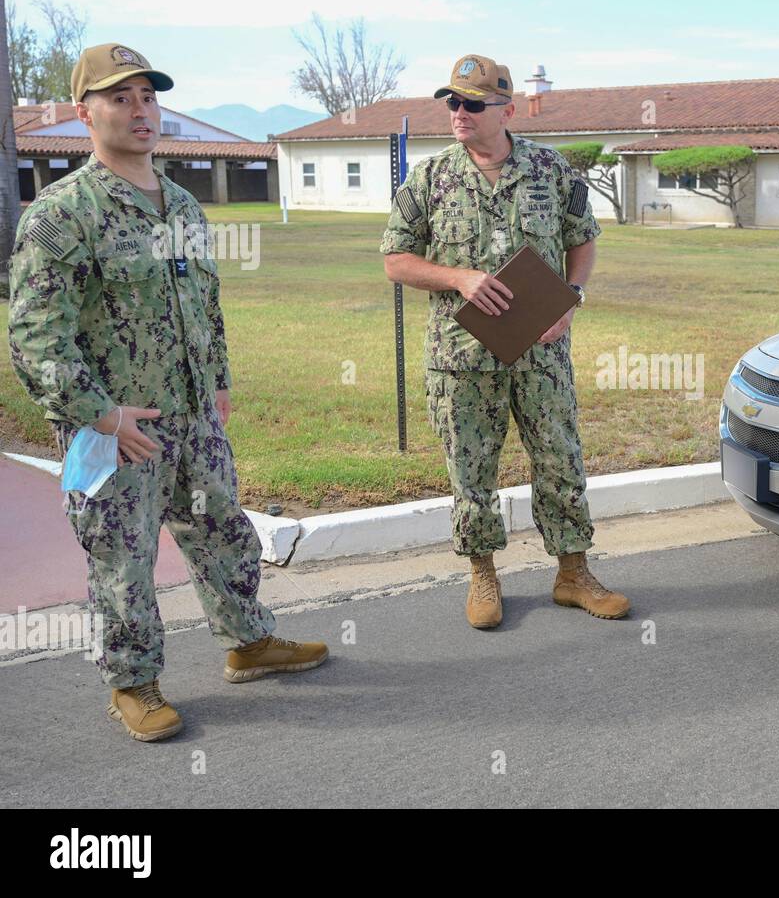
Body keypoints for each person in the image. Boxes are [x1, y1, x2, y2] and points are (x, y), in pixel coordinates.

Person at [8, 44, 328, 742]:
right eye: (120, 98)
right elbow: (36, 336)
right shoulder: (64, 215)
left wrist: (217, 383)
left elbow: (202, 303)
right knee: (122, 559)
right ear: (83, 113)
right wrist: (100, 414)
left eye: (147, 96)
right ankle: (133, 684)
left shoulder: (181, 202)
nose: (139, 110)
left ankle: (248, 641)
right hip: (116, 429)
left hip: (193, 416)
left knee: (222, 530)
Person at [381, 54, 630, 629]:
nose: (459, 113)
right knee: (471, 470)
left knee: (560, 458)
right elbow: (395, 262)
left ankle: (573, 573)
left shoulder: (551, 169)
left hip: (541, 350)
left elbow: (582, 241)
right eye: (452, 103)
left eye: (472, 104)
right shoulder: (429, 177)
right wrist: (459, 278)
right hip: (460, 356)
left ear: (507, 109)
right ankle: (483, 576)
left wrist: (570, 296)